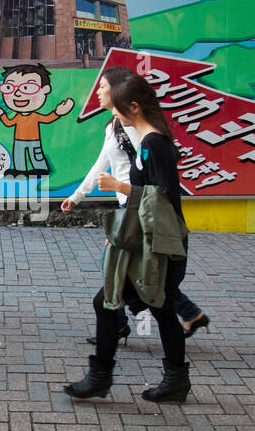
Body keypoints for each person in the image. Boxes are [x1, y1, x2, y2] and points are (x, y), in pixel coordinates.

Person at [64, 73, 190, 403]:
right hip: (143, 238)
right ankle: (172, 379)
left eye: (118, 106)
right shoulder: (149, 141)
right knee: (158, 307)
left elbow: (163, 195)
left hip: (156, 242)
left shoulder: (153, 143)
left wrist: (120, 187)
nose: (113, 113)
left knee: (113, 302)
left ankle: (101, 377)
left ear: (133, 106)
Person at [62, 65, 210, 342]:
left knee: (130, 277)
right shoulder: (115, 125)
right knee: (135, 277)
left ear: (123, 96)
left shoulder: (138, 131)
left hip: (138, 210)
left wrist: (123, 203)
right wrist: (77, 196)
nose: (99, 93)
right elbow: (102, 164)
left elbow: (155, 182)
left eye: (104, 88)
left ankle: (124, 328)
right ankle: (181, 319)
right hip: (130, 209)